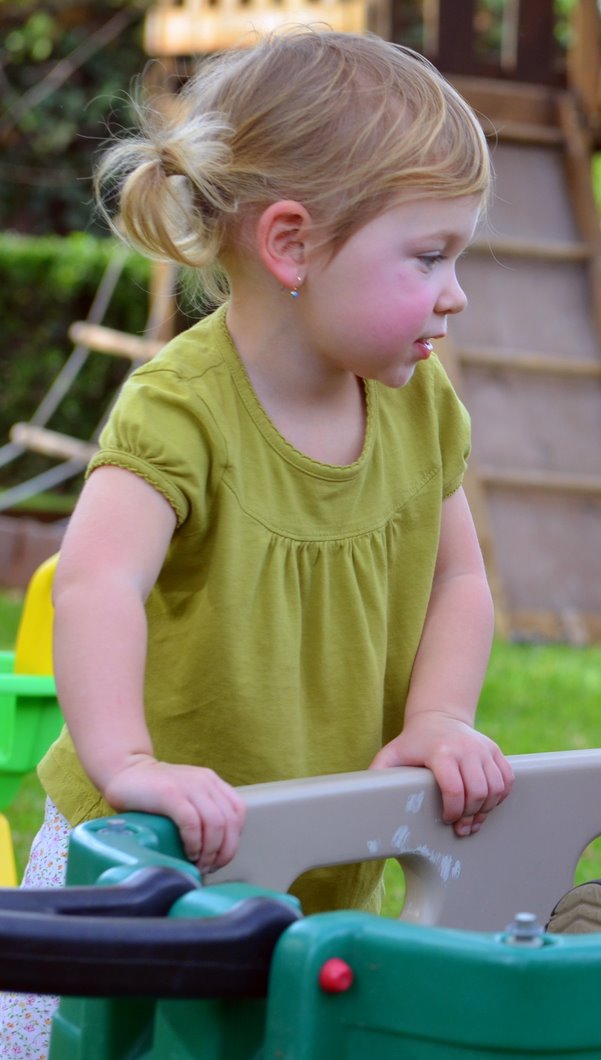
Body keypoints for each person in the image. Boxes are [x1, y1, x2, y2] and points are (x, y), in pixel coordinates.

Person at [1, 29, 514, 1057]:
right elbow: (96, 582)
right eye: (429, 256)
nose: (454, 292)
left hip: (316, 841)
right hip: (139, 859)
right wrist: (129, 764)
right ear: (291, 245)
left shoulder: (418, 407)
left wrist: (439, 717)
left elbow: (460, 579)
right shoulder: (180, 411)